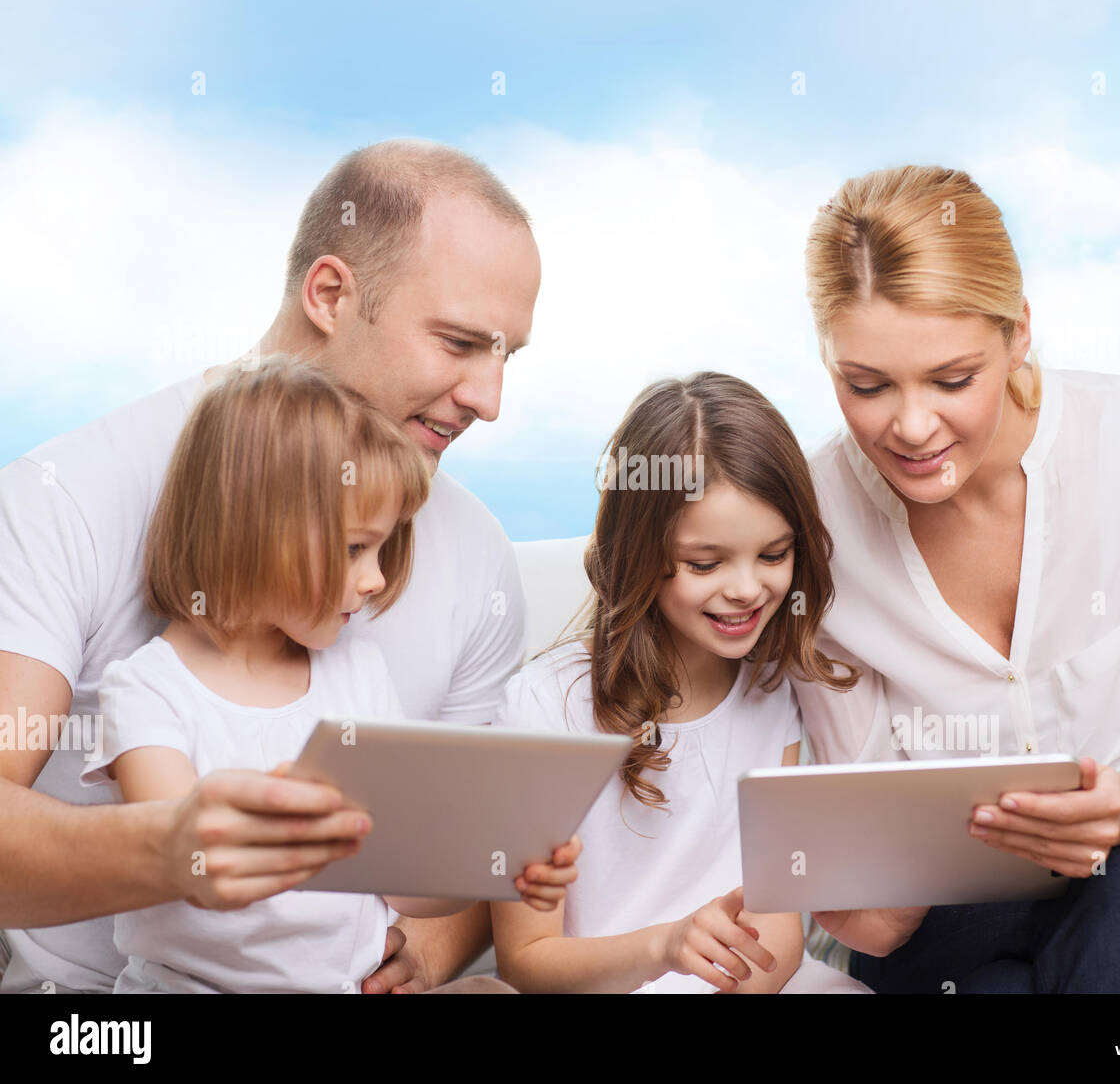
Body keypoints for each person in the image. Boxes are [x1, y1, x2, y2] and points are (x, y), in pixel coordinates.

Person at [0, 139, 569, 994]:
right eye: (459, 343)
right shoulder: (67, 497)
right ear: (331, 294)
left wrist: (425, 947)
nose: (490, 400)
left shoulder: (476, 554)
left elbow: (444, 862)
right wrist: (172, 844)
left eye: (507, 356)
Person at [794, 164, 1120, 992]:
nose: (911, 428)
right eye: (866, 385)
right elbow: (867, 848)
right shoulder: (815, 524)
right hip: (955, 912)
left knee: (1113, 880)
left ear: (1019, 331)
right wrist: (853, 884)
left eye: (952, 379)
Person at [76, 357, 573, 993]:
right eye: (353, 549)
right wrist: (307, 826)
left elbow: (406, 886)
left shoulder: (359, 675)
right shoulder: (147, 690)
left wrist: (498, 869)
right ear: (253, 531)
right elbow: (191, 867)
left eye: (382, 548)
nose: (376, 579)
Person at [491, 373, 906, 993]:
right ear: (637, 552)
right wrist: (667, 944)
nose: (745, 589)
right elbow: (527, 958)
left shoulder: (774, 689)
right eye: (705, 563)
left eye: (773, 555)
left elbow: (777, 929)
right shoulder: (544, 706)